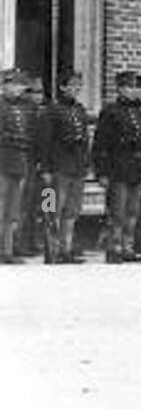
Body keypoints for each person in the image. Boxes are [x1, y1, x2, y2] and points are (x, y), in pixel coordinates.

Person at [93, 70, 141, 264]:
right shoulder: (111, 112)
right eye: (130, 87)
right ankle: (114, 247)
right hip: (118, 167)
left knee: (133, 211)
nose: (134, 91)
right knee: (117, 211)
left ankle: (128, 247)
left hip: (138, 167)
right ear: (120, 89)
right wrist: (101, 172)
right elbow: (101, 144)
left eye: (137, 87)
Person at [37, 70, 91, 264]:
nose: (76, 89)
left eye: (79, 86)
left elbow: (84, 140)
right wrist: (45, 169)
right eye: (72, 85)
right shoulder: (51, 111)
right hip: (57, 168)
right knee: (51, 210)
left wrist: (86, 164)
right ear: (62, 87)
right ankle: (51, 251)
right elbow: (44, 142)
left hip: (77, 169)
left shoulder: (80, 110)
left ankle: (66, 249)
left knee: (72, 211)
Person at [0, 68, 39, 264]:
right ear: (5, 85)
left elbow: (32, 135)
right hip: (2, 163)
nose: (18, 89)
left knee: (12, 210)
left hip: (19, 163)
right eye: (14, 85)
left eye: (20, 86)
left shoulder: (27, 108)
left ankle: (7, 250)